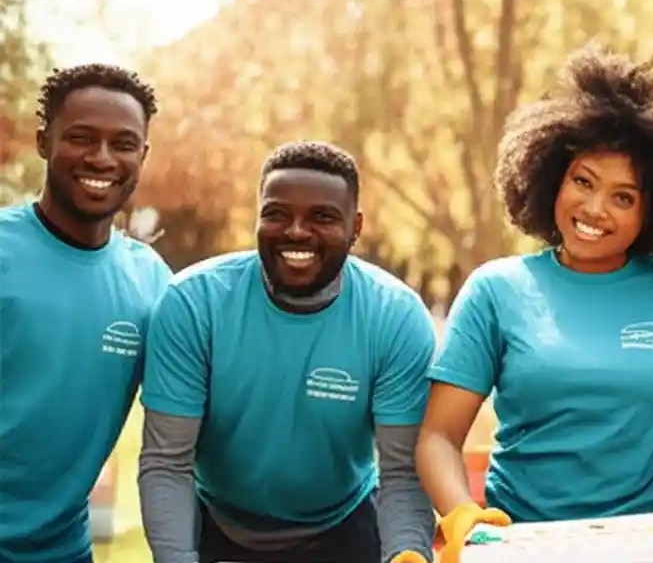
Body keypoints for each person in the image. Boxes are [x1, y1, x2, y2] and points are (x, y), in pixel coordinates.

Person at [415, 45, 653, 563]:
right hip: (521, 546)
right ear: (552, 176)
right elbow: (438, 436)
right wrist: (461, 515)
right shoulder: (496, 289)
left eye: (624, 197)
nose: (594, 209)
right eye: (583, 182)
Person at [137, 141, 436, 563]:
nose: (296, 231)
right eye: (277, 214)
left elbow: (403, 475)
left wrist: (407, 554)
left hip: (343, 527)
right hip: (218, 524)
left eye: (323, 217)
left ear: (356, 227)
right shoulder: (194, 303)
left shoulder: (395, 316)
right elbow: (167, 464)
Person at [0, 64, 171, 563]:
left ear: (142, 155)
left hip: (65, 551)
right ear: (43, 142)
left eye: (123, 143)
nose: (101, 158)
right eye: (81, 138)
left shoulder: (152, 283)